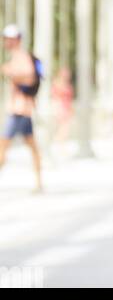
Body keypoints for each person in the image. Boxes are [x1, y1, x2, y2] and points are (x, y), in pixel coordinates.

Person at [0, 23, 43, 192]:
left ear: (16, 40)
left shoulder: (21, 56)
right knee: (32, 146)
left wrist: (10, 72)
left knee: (3, 145)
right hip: (23, 109)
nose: (6, 42)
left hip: (19, 110)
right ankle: (39, 182)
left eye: (8, 39)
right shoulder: (16, 56)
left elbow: (29, 77)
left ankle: (39, 182)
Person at [50, 67, 74, 149]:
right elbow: (54, 97)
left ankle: (61, 145)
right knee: (62, 128)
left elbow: (70, 98)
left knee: (65, 128)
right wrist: (57, 108)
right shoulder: (57, 84)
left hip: (66, 108)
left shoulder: (67, 85)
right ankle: (59, 145)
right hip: (60, 108)